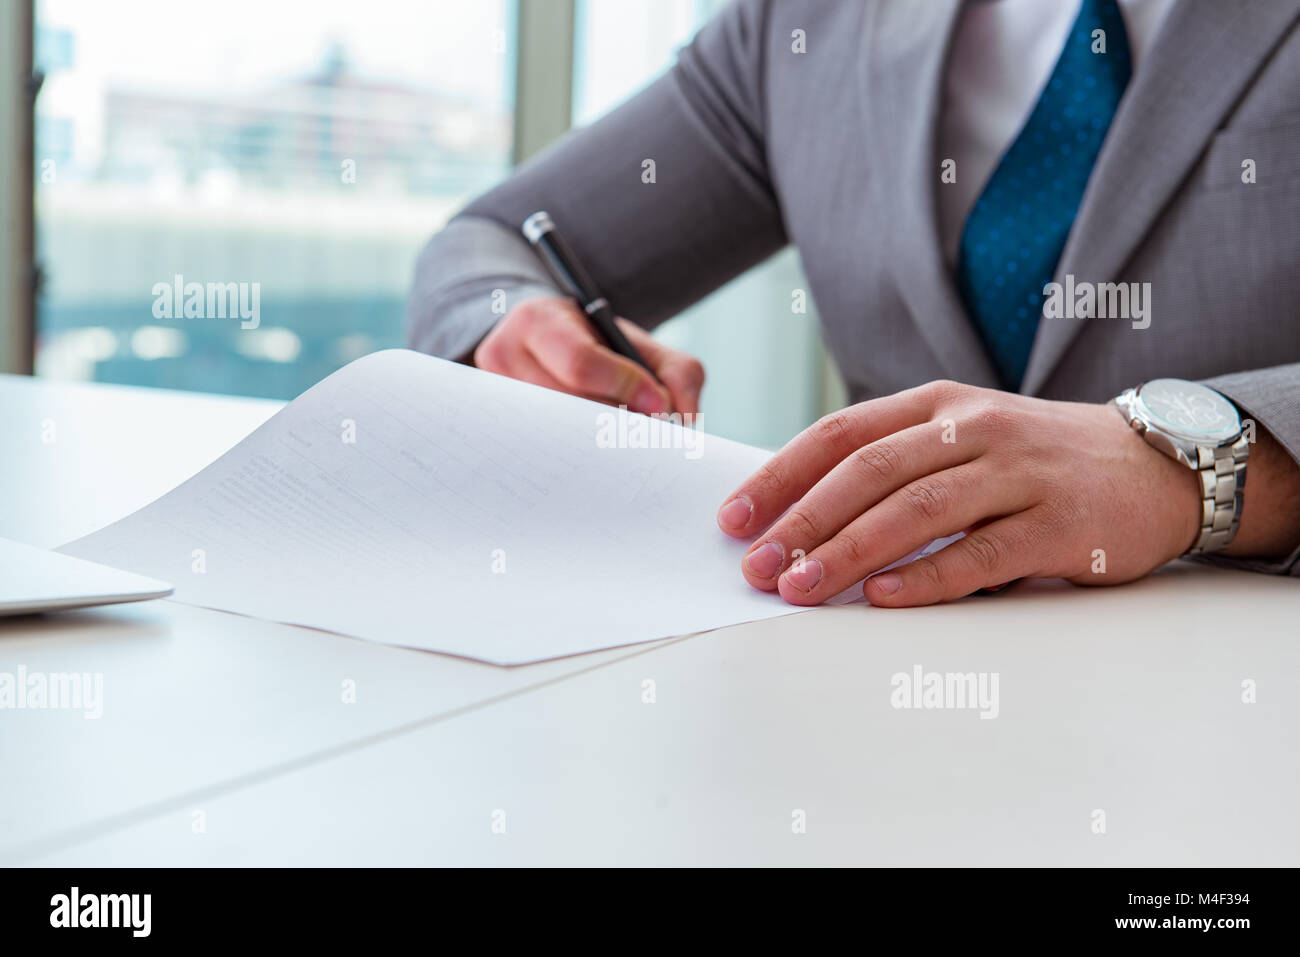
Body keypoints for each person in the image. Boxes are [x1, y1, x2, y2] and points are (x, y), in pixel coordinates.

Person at [408, 0, 1300, 606]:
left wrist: (1180, 468)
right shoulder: (802, 24)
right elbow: (490, 243)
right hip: (868, 704)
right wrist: (517, 331)